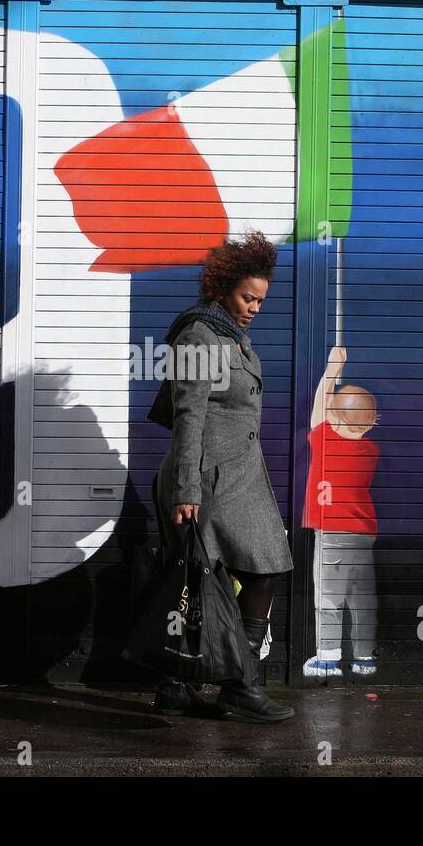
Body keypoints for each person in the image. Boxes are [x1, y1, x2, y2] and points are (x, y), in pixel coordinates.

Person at [152, 230, 294, 723]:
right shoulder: (200, 335)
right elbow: (188, 415)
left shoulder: (232, 338)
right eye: (246, 297)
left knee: (208, 578)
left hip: (235, 476)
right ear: (222, 288)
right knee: (262, 567)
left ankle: (176, 685)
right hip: (209, 480)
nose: (254, 307)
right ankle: (240, 686)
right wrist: (186, 488)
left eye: (260, 300)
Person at [302, 345, 382, 677]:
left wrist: (332, 370)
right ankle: (364, 657)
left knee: (329, 597)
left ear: (335, 420)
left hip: (333, 534)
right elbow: (332, 414)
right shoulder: (370, 450)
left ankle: (327, 657)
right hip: (363, 536)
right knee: (361, 597)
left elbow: (319, 410)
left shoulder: (326, 442)